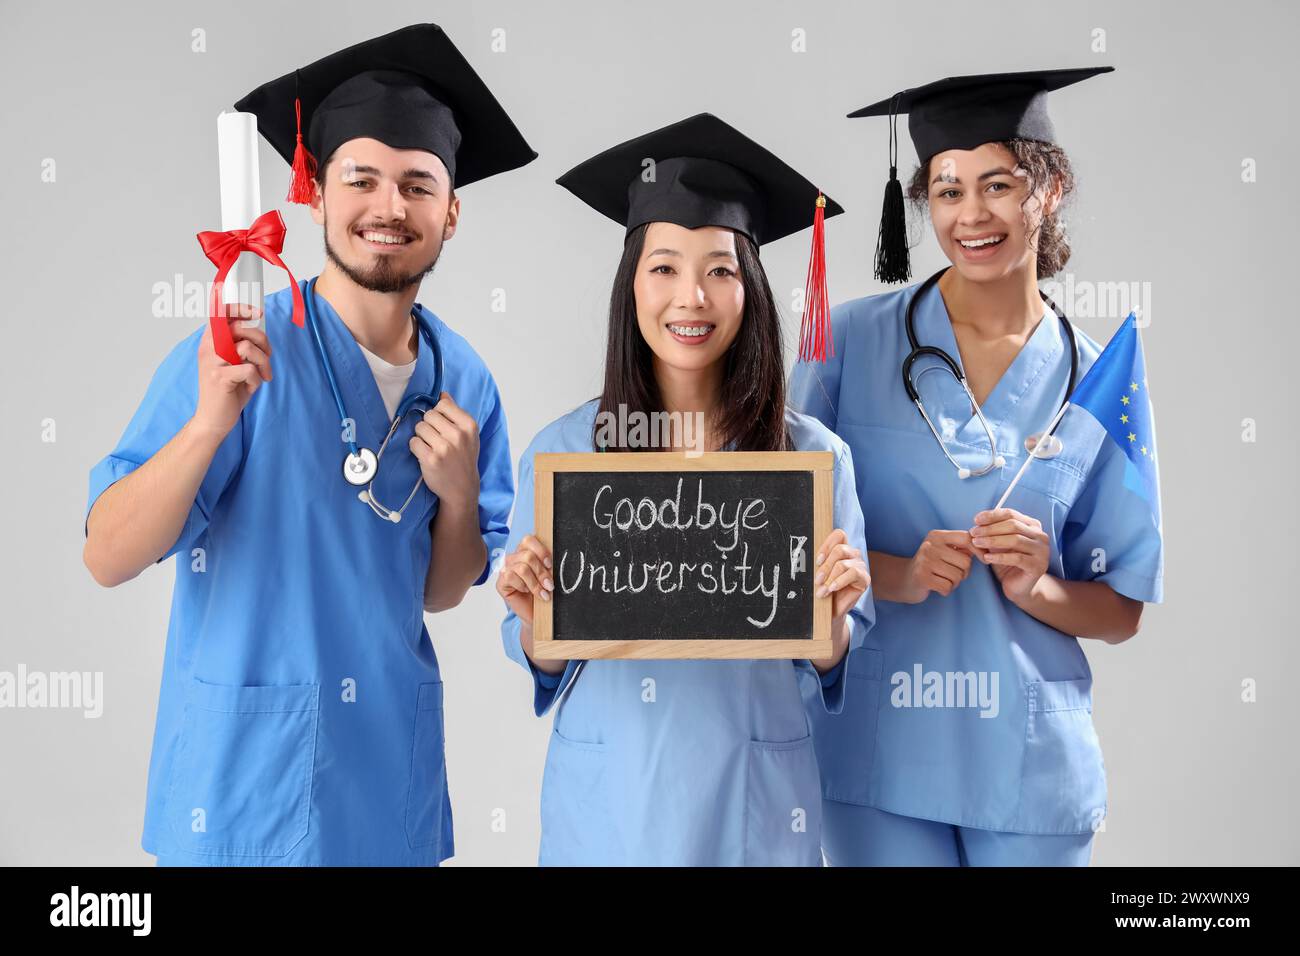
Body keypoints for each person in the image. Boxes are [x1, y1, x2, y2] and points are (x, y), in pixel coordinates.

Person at [81, 24, 534, 865]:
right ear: (315, 193)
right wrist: (210, 422)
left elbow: (438, 593)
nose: (389, 207)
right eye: (360, 179)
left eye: (417, 184)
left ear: (452, 212)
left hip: (384, 773)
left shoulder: (463, 379)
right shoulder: (243, 347)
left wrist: (463, 495)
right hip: (241, 780)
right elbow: (106, 554)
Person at [789, 67, 1164, 866]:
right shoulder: (846, 347)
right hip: (877, 749)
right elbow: (782, 544)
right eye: (948, 190)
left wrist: (1039, 586)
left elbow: (1123, 607)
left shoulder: (1097, 385)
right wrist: (896, 573)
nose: (972, 215)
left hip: (1028, 765)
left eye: (997, 184)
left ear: (1049, 187)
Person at [496, 114, 875, 865]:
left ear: (752, 289)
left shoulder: (813, 457)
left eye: (721, 269)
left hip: (752, 794)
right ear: (631, 285)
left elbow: (838, 646)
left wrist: (834, 628)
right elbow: (535, 646)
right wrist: (534, 626)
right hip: (611, 798)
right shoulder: (567, 451)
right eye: (664, 266)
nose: (691, 295)